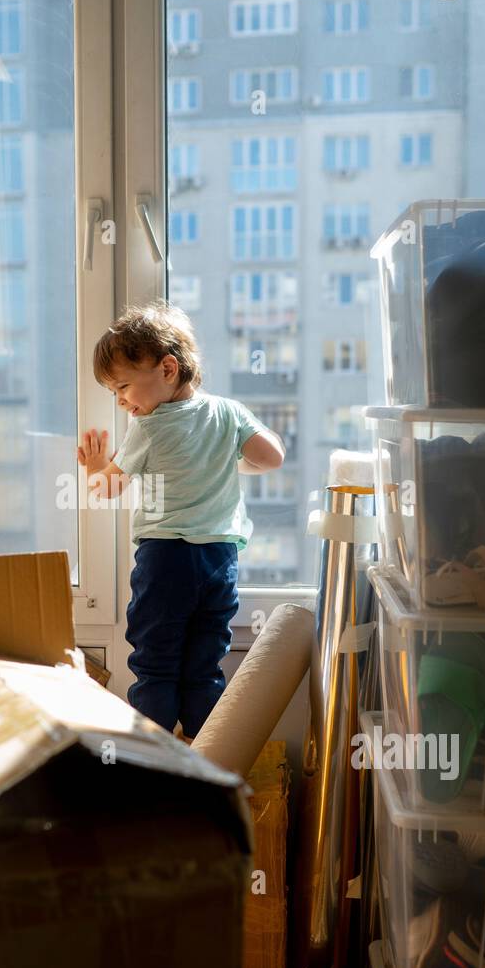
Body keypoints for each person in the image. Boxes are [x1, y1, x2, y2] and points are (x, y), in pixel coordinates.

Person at [77, 301, 285, 741]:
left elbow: (109, 488)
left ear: (168, 369)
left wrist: (97, 469)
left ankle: (155, 757)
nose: (121, 401)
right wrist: (232, 461)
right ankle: (202, 752)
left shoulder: (150, 428)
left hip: (166, 558)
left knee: (155, 661)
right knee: (204, 663)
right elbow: (271, 458)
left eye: (124, 387)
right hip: (219, 559)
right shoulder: (228, 412)